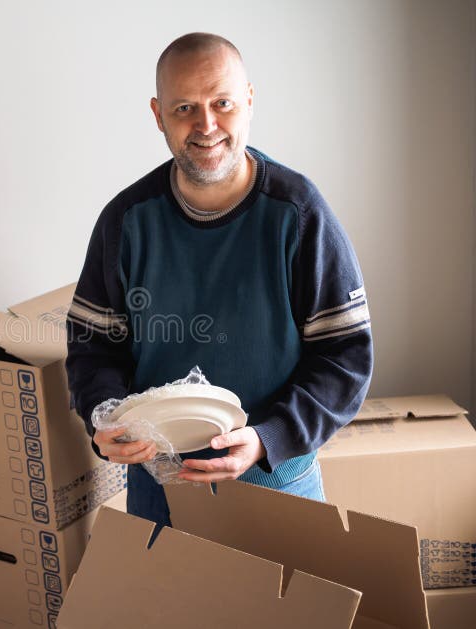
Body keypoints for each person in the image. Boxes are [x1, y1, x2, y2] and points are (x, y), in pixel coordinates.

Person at [65, 32, 373, 527]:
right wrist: (104, 415)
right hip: (158, 493)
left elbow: (346, 358)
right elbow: (92, 348)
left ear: (249, 100)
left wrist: (269, 438)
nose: (206, 125)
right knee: (165, 586)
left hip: (277, 480)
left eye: (222, 103)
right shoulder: (125, 221)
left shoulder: (298, 214)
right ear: (158, 115)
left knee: (290, 586)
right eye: (184, 107)